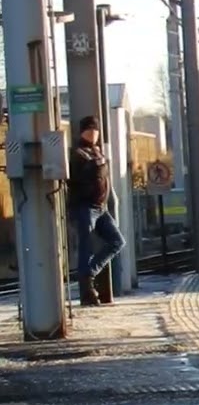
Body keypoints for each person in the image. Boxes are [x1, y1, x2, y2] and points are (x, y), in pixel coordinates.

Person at [69, 115, 125, 306]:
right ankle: (86, 289)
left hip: (100, 207)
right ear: (82, 132)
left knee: (117, 241)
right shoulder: (77, 153)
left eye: (96, 130)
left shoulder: (97, 152)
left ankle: (89, 273)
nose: (93, 134)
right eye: (89, 130)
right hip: (85, 207)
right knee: (86, 247)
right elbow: (77, 178)